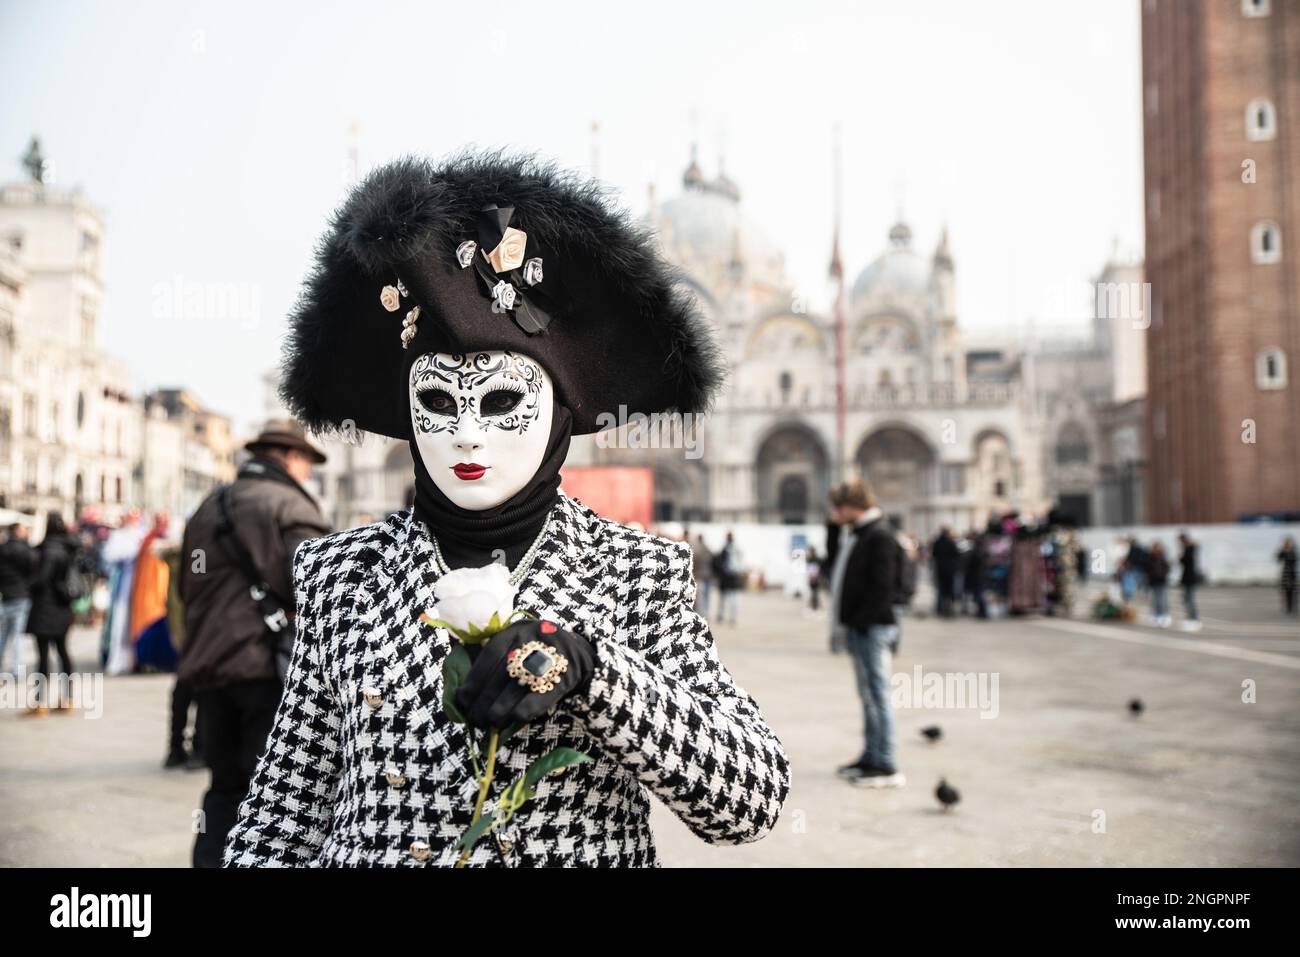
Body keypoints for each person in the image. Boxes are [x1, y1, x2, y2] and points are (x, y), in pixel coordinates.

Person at [222, 150, 790, 867]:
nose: (465, 433)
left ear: (559, 413)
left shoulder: (636, 572)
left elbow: (751, 796)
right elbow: (284, 812)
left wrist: (595, 671)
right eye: (435, 402)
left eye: (500, 402)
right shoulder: (341, 575)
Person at [178, 419, 331, 867]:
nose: (307, 473)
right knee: (270, 792)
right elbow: (317, 590)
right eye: (306, 463)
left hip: (208, 666)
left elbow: (189, 585)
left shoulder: (209, 505)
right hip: (263, 666)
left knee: (223, 786)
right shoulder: (287, 505)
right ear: (291, 458)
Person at [830, 479, 904, 788]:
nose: (834, 513)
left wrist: (861, 620)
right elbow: (832, 562)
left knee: (878, 694)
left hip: (873, 627)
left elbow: (883, 587)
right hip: (862, 626)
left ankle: (886, 763)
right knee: (868, 696)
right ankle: (870, 756)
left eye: (837, 507)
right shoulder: (859, 535)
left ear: (851, 507)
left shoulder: (879, 536)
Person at [24, 513, 81, 714]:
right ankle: (68, 699)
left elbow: (42, 580)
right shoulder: (70, 549)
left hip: (46, 608)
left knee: (43, 656)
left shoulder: (49, 550)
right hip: (63, 607)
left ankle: (40, 702)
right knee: (63, 652)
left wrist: (28, 585)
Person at [0, 522, 37, 675]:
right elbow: (34, 572)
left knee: (3, 635)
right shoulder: (26, 550)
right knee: (17, 636)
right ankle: (17, 670)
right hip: (21, 596)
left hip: (5, 596)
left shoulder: (2, 549)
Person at [714, 531, 744, 625]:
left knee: (722, 599)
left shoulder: (724, 549)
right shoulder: (737, 549)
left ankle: (721, 616)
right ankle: (733, 617)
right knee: (734, 599)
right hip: (734, 577)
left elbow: (718, 563)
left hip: (725, 578)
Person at [931, 527, 960, 618]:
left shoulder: (937, 542)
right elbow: (956, 554)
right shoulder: (950, 542)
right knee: (949, 590)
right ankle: (949, 609)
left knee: (941, 589)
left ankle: (940, 608)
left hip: (940, 569)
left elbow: (934, 554)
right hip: (949, 570)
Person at [1177, 531, 1202, 632]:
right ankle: (1190, 619)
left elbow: (1184, 561)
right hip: (1187, 577)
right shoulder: (1188, 549)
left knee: (1190, 600)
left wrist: (1181, 555)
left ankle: (1194, 619)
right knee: (1186, 600)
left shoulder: (1189, 549)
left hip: (1190, 578)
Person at [1147, 540, 1171, 627]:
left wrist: (1163, 575)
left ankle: (1164, 615)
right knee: (1155, 600)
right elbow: (1147, 568)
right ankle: (1156, 615)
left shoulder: (1163, 557)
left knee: (1162, 599)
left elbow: (1167, 567)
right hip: (1153, 581)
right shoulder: (1150, 557)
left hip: (1161, 580)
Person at [690, 533, 714, 619]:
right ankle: (706, 613)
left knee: (698, 596)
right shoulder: (708, 549)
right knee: (706, 596)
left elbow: (694, 563)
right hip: (708, 576)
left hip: (699, 575)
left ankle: (699, 614)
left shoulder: (696, 550)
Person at [1278, 537, 1297, 615]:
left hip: (1291, 573)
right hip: (1285, 573)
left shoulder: (1293, 552)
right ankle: (1288, 607)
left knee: (1292, 591)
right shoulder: (1284, 552)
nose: (1288, 545)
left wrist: (1287, 552)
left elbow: (1294, 560)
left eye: (1288, 543)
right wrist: (1282, 550)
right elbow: (1278, 558)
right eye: (1286, 543)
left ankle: (1293, 606)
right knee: (1286, 591)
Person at [806, 545, 823, 611]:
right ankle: (814, 605)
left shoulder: (816, 559)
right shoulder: (809, 559)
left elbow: (819, 568)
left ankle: (815, 605)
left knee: (815, 592)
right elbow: (809, 569)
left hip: (816, 577)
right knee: (813, 592)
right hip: (812, 577)